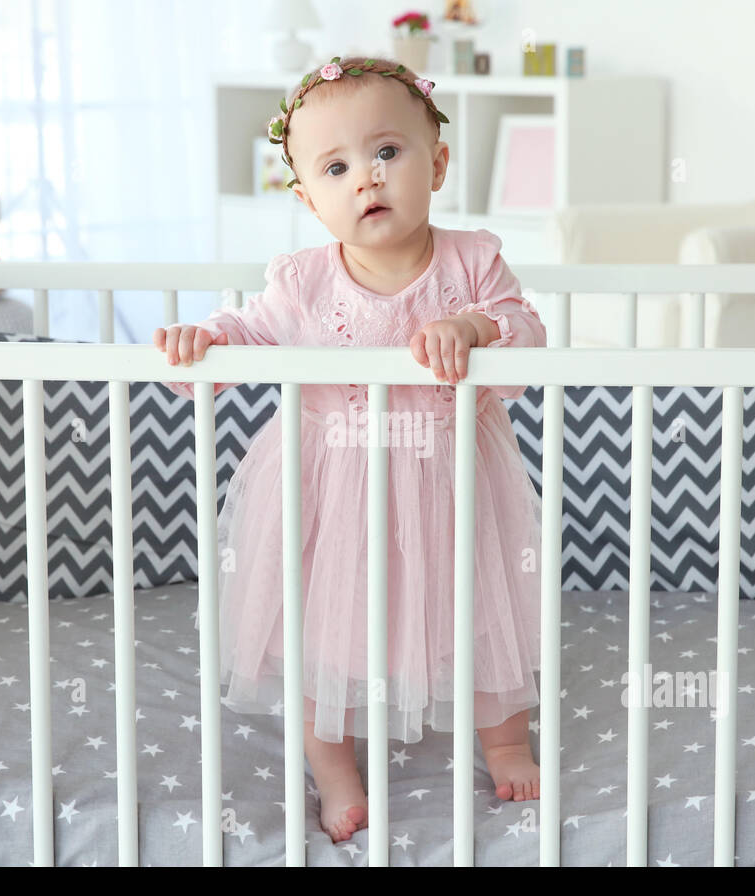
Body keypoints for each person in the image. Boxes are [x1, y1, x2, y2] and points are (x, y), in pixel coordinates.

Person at [156, 54, 546, 844]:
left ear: (436, 163)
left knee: (478, 604)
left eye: (387, 153)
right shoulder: (300, 281)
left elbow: (526, 332)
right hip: (329, 486)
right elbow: (248, 330)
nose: (365, 179)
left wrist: (470, 327)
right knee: (320, 627)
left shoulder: (472, 261)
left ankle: (504, 739)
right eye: (336, 167)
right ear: (307, 198)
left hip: (453, 483)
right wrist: (208, 340)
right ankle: (333, 766)